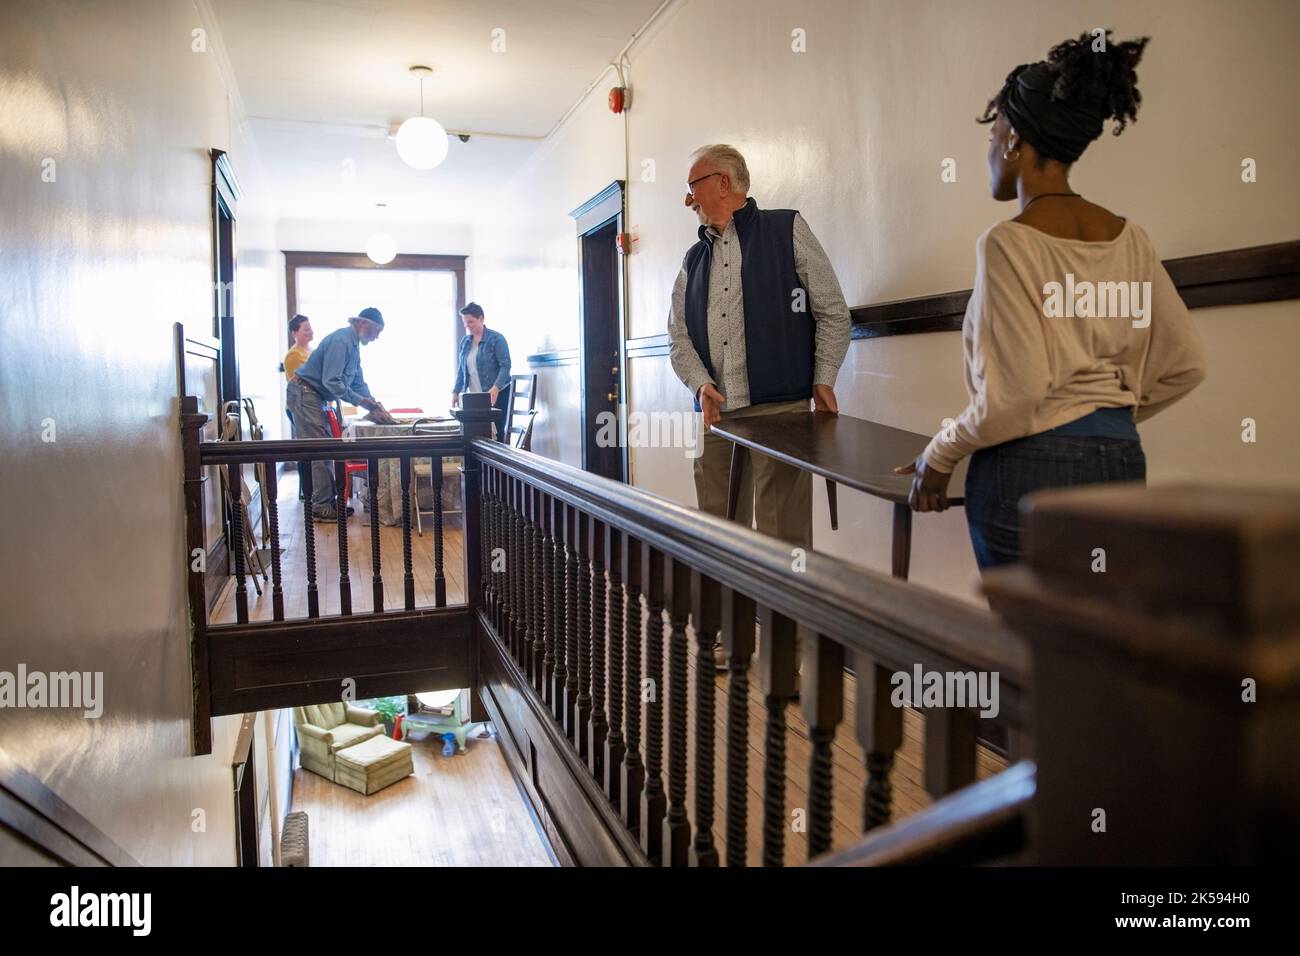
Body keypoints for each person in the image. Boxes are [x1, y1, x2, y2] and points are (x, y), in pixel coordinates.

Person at [897, 31, 1207, 570]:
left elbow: (1013, 399)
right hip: (1121, 459)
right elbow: (1186, 365)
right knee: (1093, 641)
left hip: (1029, 470)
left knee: (1029, 645)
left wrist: (940, 451)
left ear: (1015, 138)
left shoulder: (1009, 243)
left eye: (993, 136)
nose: (991, 151)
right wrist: (1100, 415)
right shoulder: (1131, 238)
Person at [668, 143, 851, 549]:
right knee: (718, 530)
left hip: (780, 409)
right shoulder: (692, 259)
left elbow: (833, 311)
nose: (687, 199)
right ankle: (728, 614)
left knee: (782, 536)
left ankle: (785, 616)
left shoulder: (786, 229)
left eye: (691, 187)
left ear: (723, 183)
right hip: (716, 414)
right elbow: (677, 337)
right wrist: (700, 385)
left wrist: (824, 378)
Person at [290, 307, 393, 521]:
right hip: (306, 393)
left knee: (326, 449)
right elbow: (331, 381)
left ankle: (329, 502)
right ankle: (320, 507)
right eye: (377, 331)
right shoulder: (342, 341)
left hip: (315, 395)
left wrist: (373, 404)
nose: (377, 337)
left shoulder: (353, 345)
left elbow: (358, 382)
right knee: (320, 451)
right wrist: (361, 401)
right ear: (363, 324)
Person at [452, 302, 512, 443]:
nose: (467, 325)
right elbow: (462, 370)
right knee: (478, 435)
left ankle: (497, 465)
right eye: (465, 322)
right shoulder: (465, 342)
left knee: (497, 437)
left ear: (481, 319)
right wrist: (455, 391)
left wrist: (496, 387)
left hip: (498, 393)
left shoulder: (496, 339)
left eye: (471, 321)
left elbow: (506, 366)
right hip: (475, 396)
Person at [283, 313, 313, 499]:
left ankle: (312, 489)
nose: (310, 332)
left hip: (310, 405)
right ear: (295, 332)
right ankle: (306, 491)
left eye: (311, 328)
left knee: (311, 446)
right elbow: (303, 381)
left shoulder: (310, 350)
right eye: (306, 329)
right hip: (299, 405)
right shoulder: (294, 354)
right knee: (305, 447)